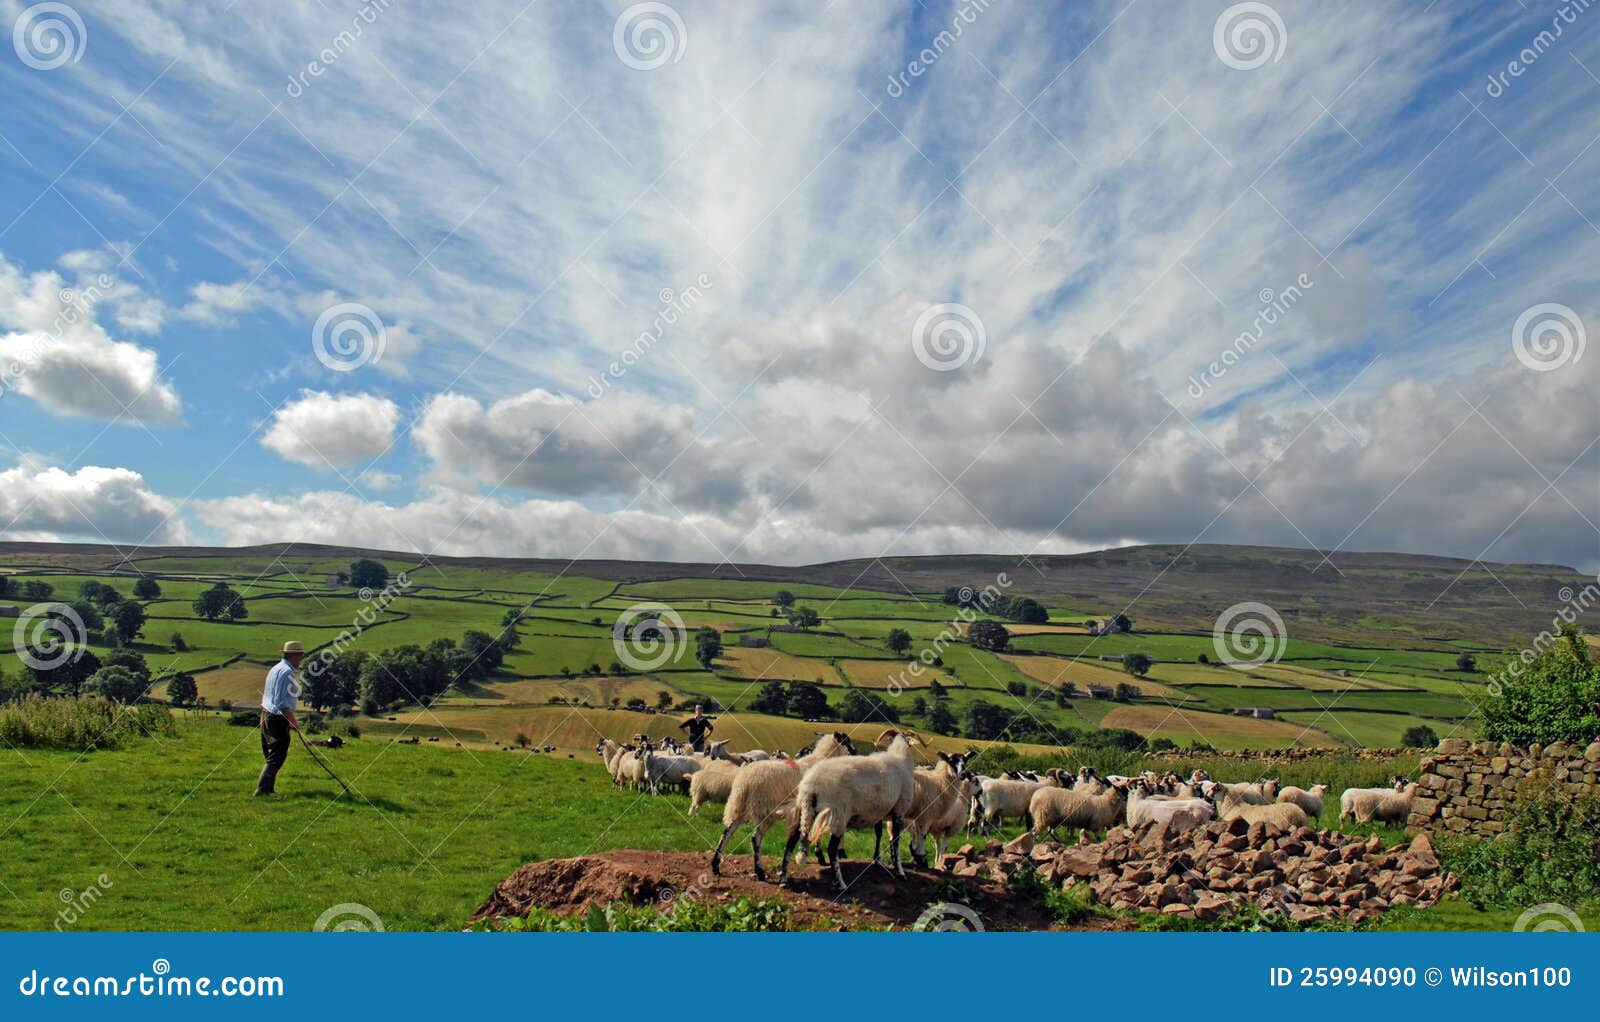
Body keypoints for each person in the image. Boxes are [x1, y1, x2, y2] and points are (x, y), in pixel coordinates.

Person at [255, 640, 305, 796]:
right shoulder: (287, 672)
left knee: (271, 754)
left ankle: (269, 789)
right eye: (300, 655)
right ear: (293, 655)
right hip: (277, 717)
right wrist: (293, 721)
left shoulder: (276, 668)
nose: (301, 659)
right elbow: (280, 701)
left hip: (266, 713)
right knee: (277, 756)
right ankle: (262, 790)